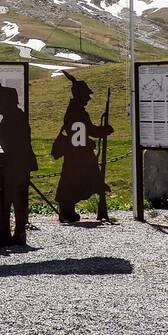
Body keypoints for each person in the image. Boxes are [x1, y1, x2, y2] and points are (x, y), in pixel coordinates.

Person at [52, 72, 112, 224]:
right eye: (86, 95)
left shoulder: (74, 109)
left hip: (76, 153)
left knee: (73, 179)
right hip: (78, 154)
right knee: (75, 179)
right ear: (80, 95)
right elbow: (88, 131)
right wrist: (104, 130)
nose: (88, 98)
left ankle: (68, 209)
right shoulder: (77, 111)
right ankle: (67, 210)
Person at [0, 84, 36, 245]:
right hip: (14, 165)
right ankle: (10, 232)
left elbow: (12, 145)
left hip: (15, 166)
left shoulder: (15, 118)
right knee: (10, 199)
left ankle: (17, 233)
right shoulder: (14, 117)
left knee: (15, 199)